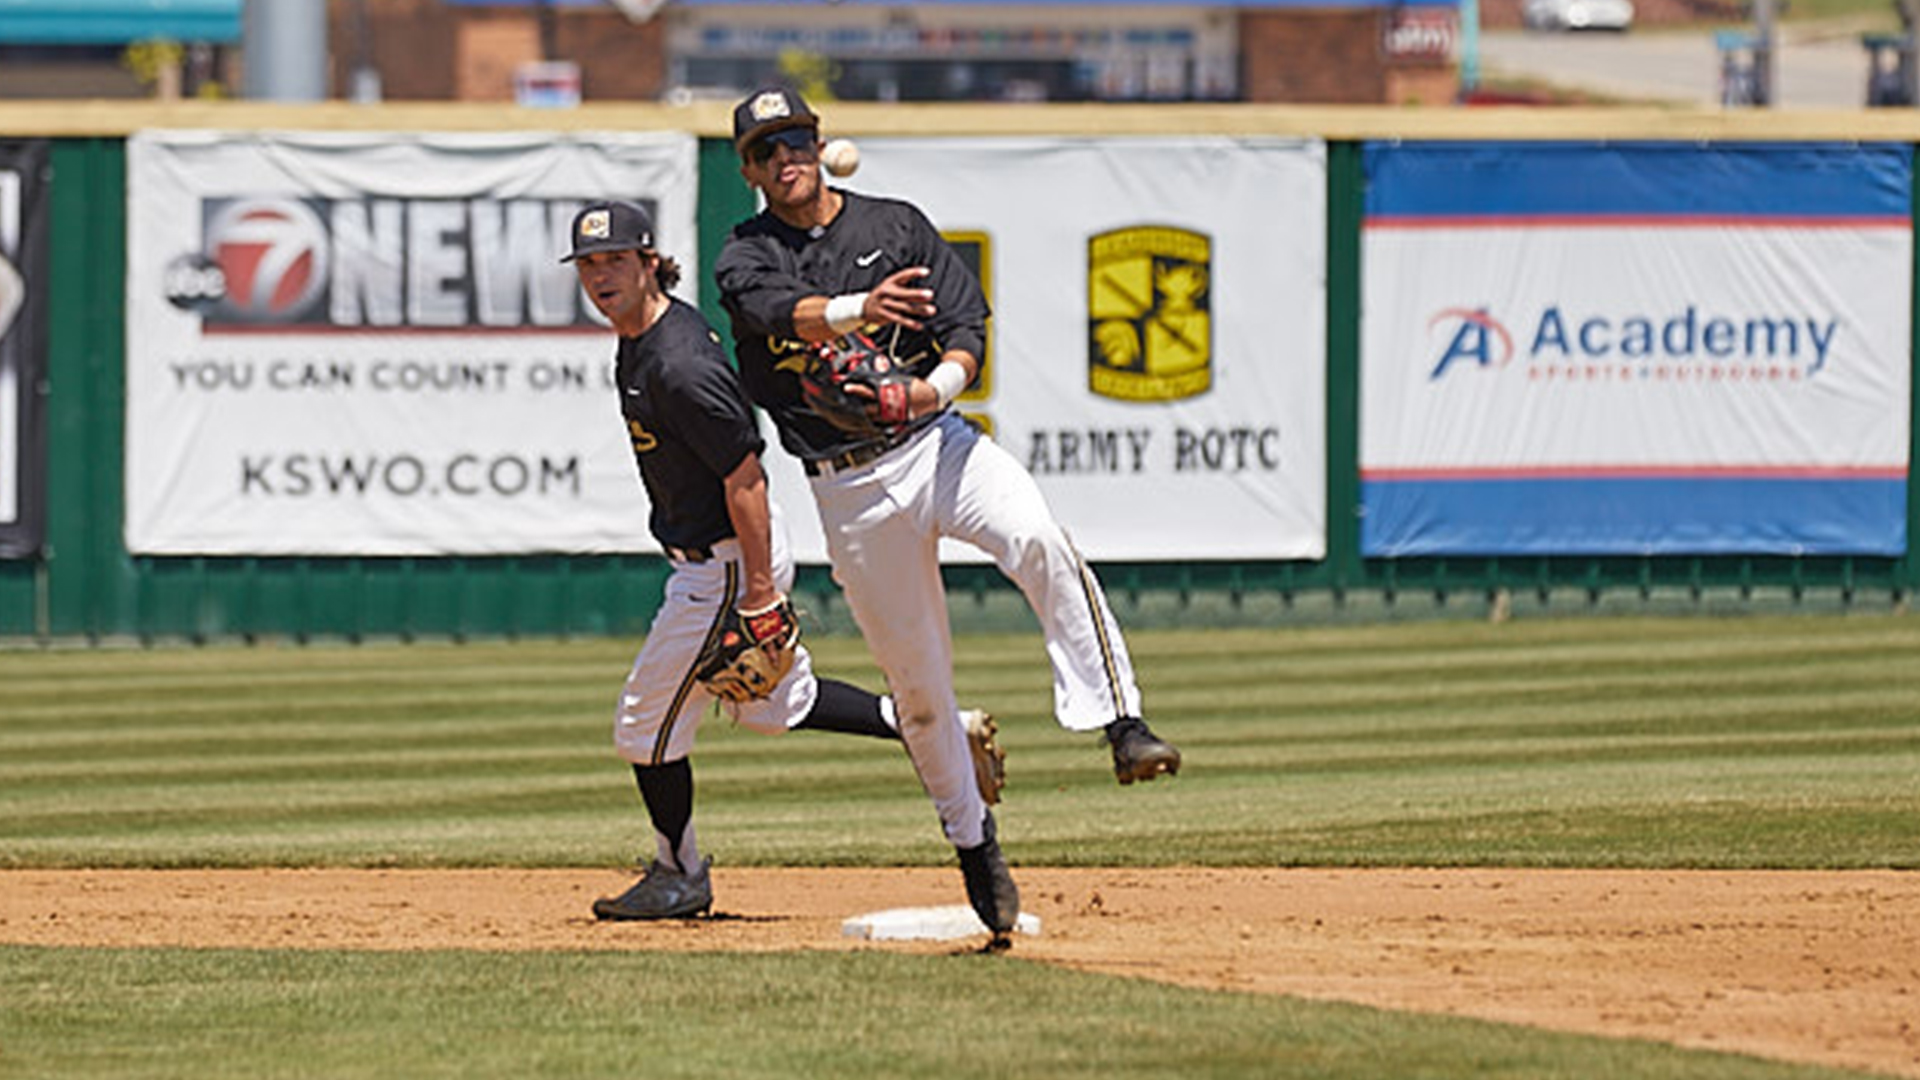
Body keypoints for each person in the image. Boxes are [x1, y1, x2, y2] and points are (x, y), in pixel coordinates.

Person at [715, 87, 1182, 937]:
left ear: (820, 144)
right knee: (920, 696)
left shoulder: (894, 225)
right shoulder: (745, 253)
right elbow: (777, 313)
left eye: (797, 139)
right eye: (766, 149)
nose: (786, 157)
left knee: (1040, 538)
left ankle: (1121, 722)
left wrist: (930, 387)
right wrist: (860, 313)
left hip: (940, 442)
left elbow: (968, 325)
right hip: (847, 486)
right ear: (747, 168)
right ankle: (974, 844)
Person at [565, 199, 1005, 921]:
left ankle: (680, 874)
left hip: (727, 567)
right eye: (588, 264)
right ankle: (936, 727)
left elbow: (746, 476)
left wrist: (760, 594)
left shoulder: (676, 360)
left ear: (649, 261)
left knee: (642, 727)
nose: (600, 276)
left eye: (615, 259)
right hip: (720, 561)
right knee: (780, 707)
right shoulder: (643, 337)